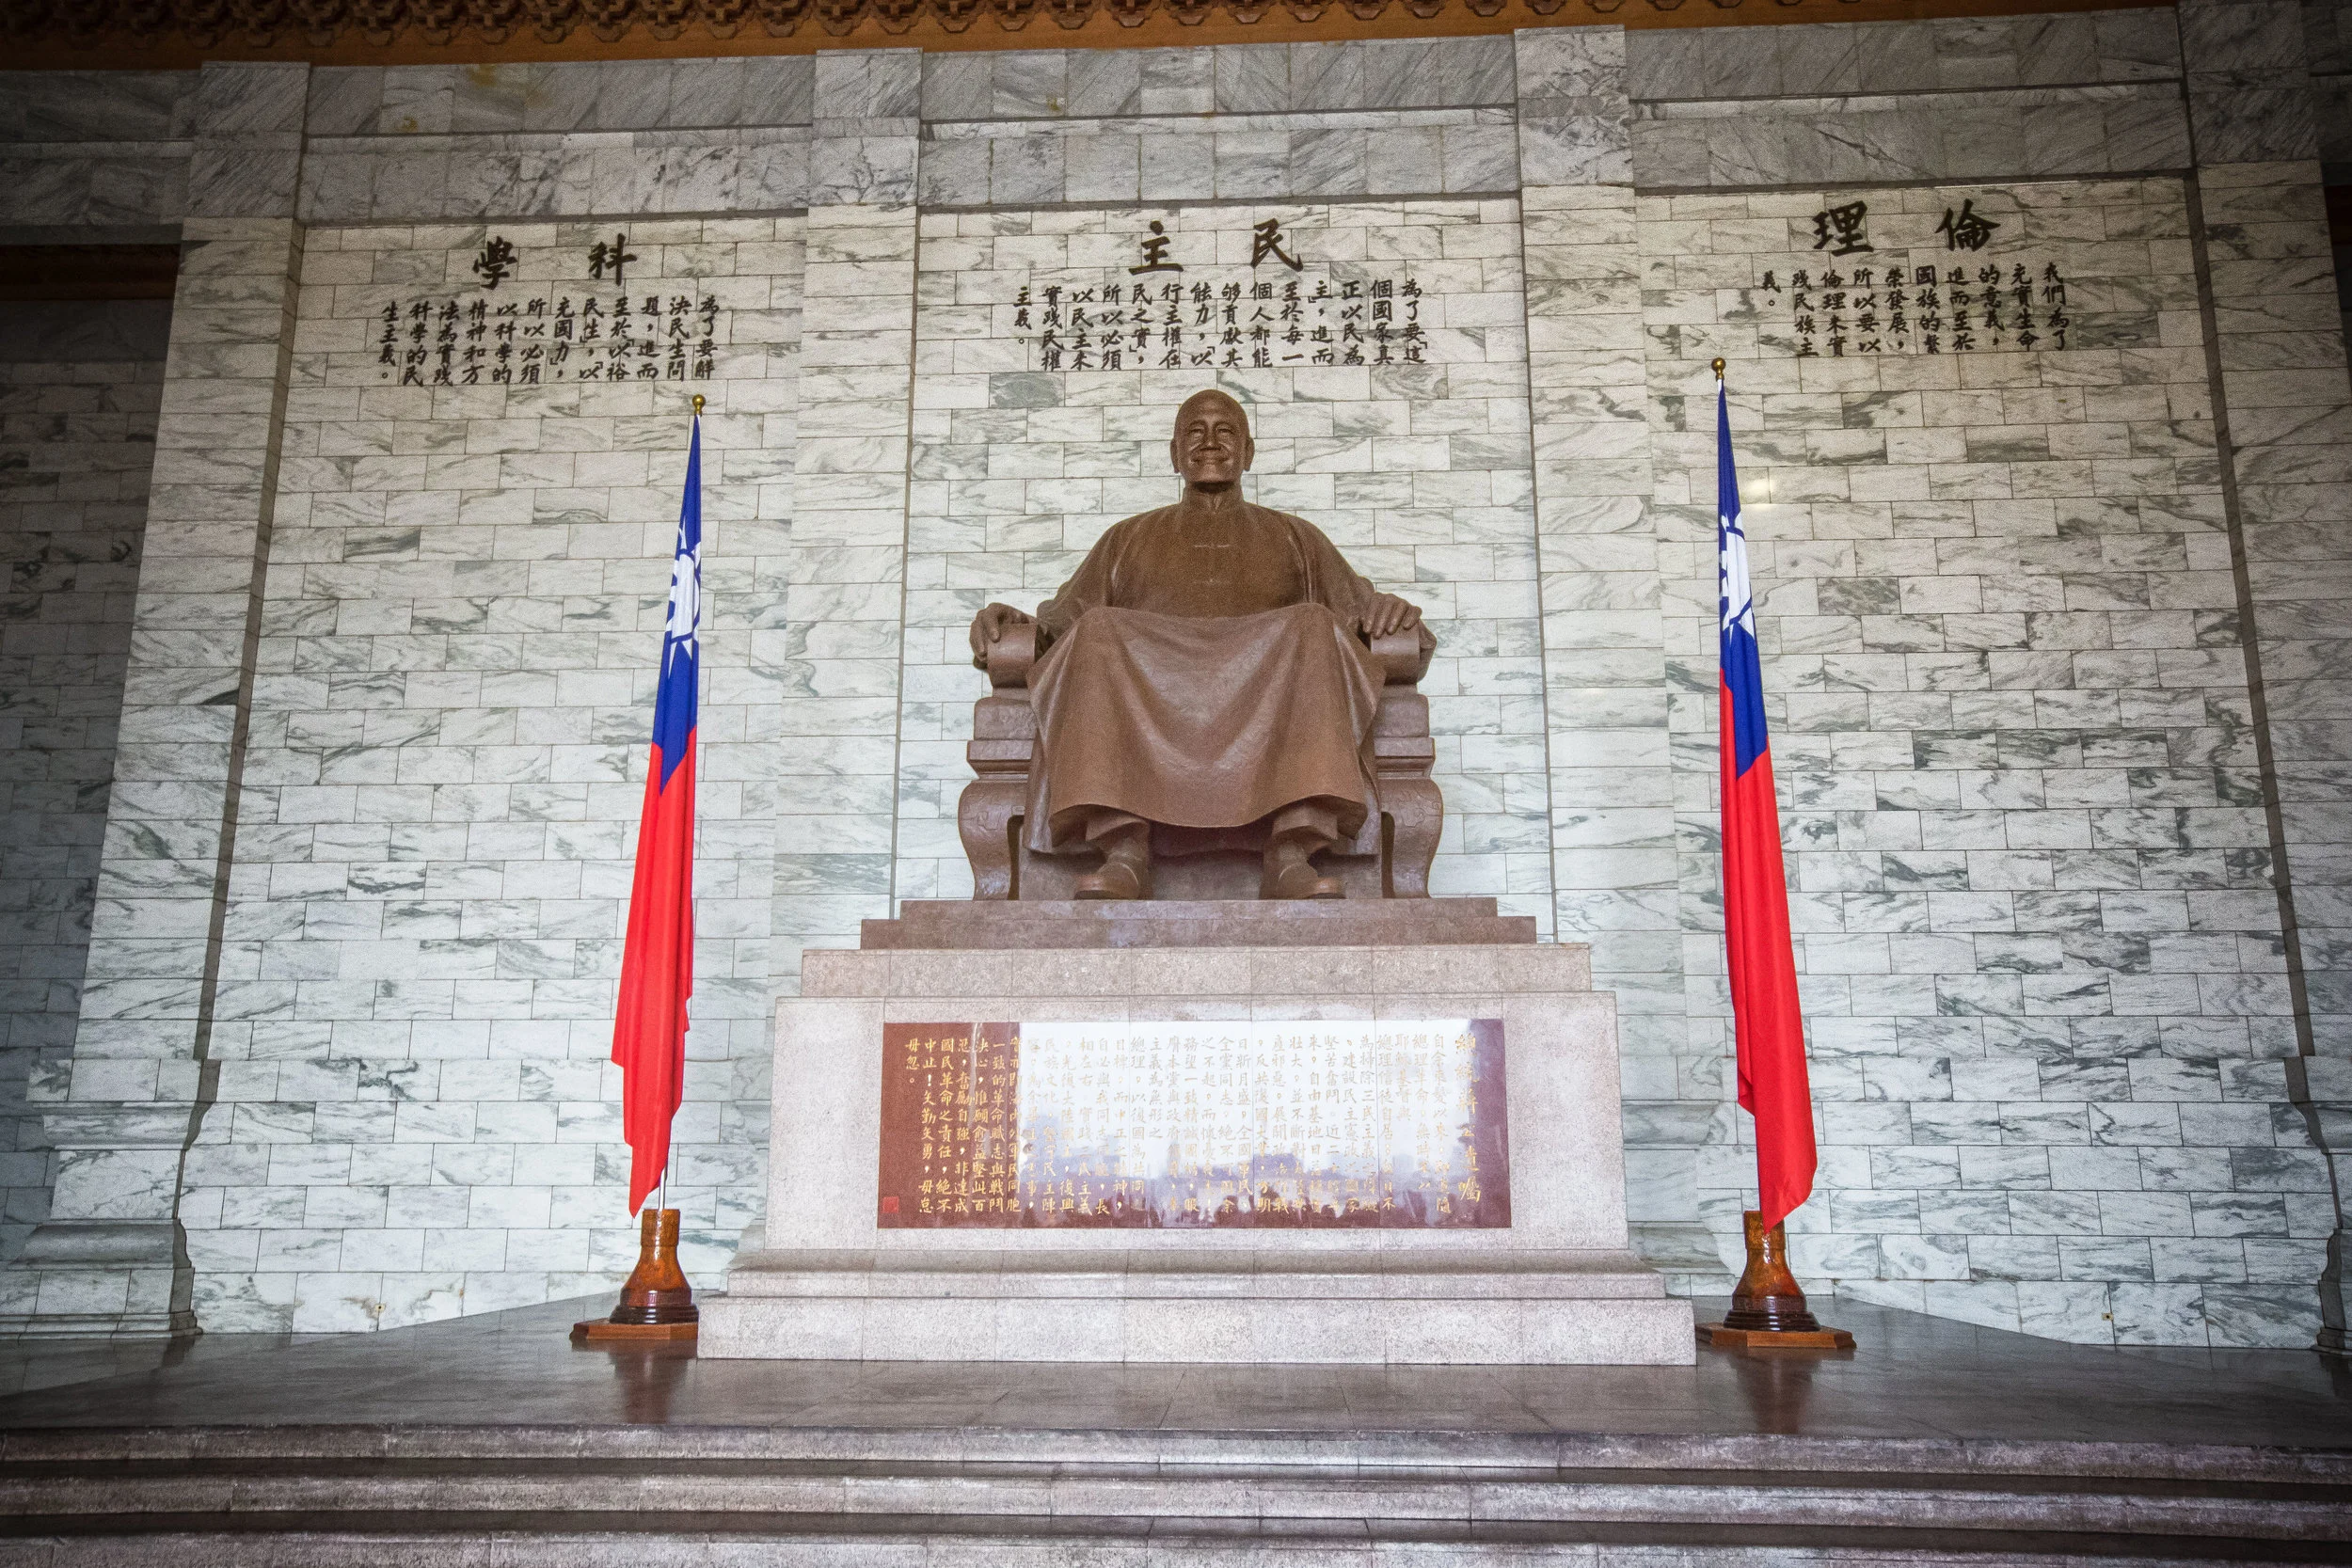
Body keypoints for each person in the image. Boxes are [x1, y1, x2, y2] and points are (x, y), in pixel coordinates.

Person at [968, 389, 1433, 900]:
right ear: (1173, 453)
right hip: (1148, 688)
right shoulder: (1127, 539)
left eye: (1225, 430)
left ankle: (1290, 852)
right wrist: (1014, 625)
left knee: (1314, 626)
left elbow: (1360, 613)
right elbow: (1061, 626)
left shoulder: (1297, 538)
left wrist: (1390, 613)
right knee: (1098, 630)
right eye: (1195, 431)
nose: (1209, 442)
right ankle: (1125, 850)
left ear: (1249, 452)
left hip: (1271, 687)